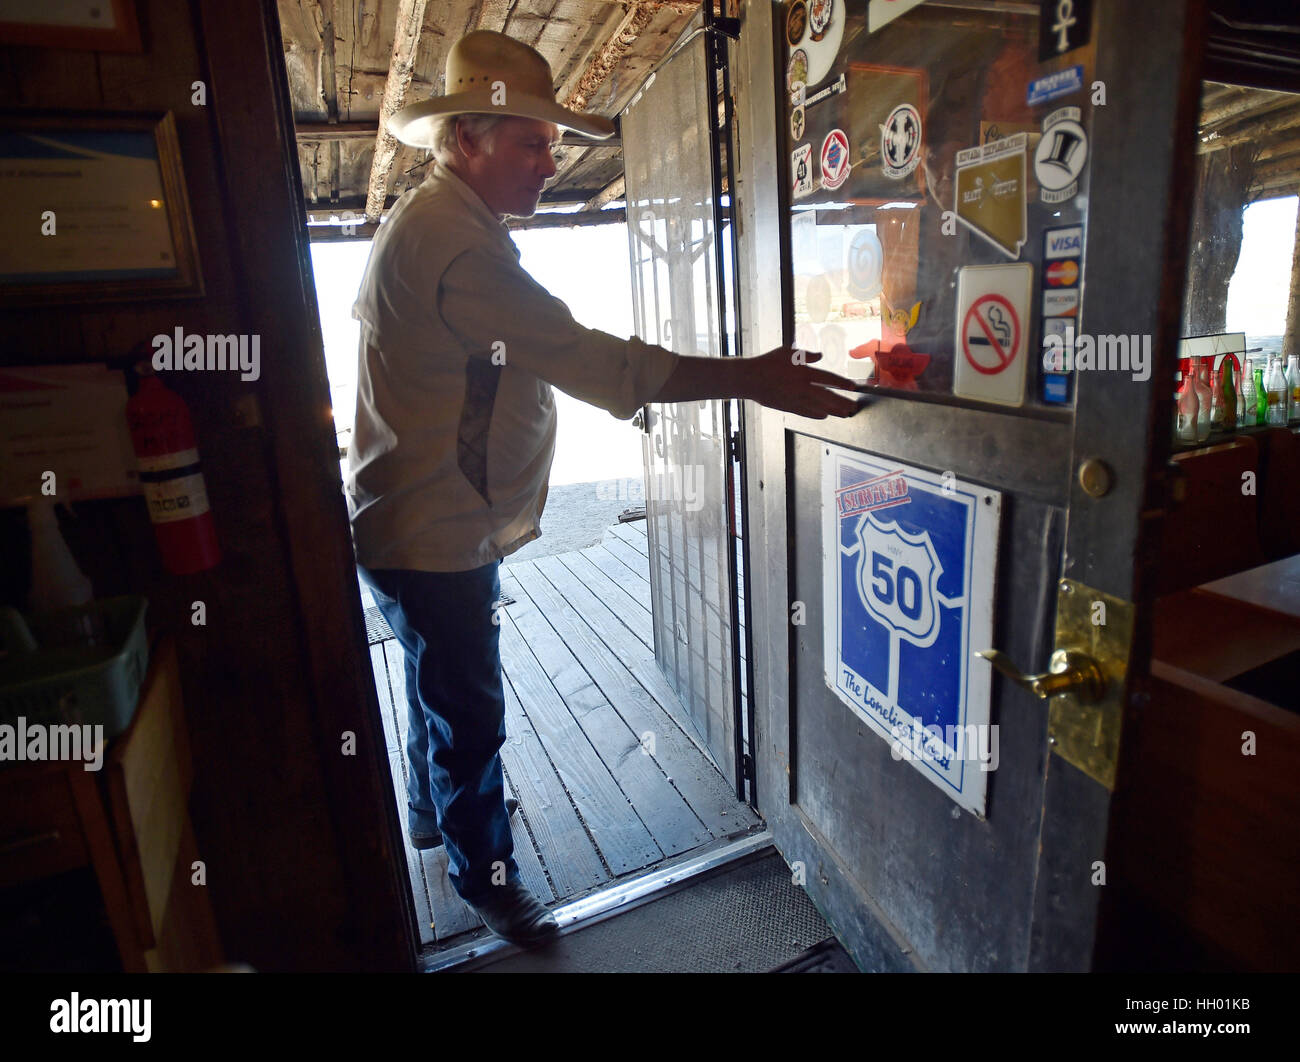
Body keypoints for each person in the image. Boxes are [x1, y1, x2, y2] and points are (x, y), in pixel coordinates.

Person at [344, 30, 868, 947]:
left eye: (552, 144)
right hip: (434, 530)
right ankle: (488, 884)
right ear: (465, 138)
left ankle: (432, 821)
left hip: (411, 514)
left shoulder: (438, 222)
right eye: (529, 143)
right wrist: (752, 376)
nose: (551, 161)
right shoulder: (456, 247)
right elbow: (588, 356)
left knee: (440, 684)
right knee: (470, 712)